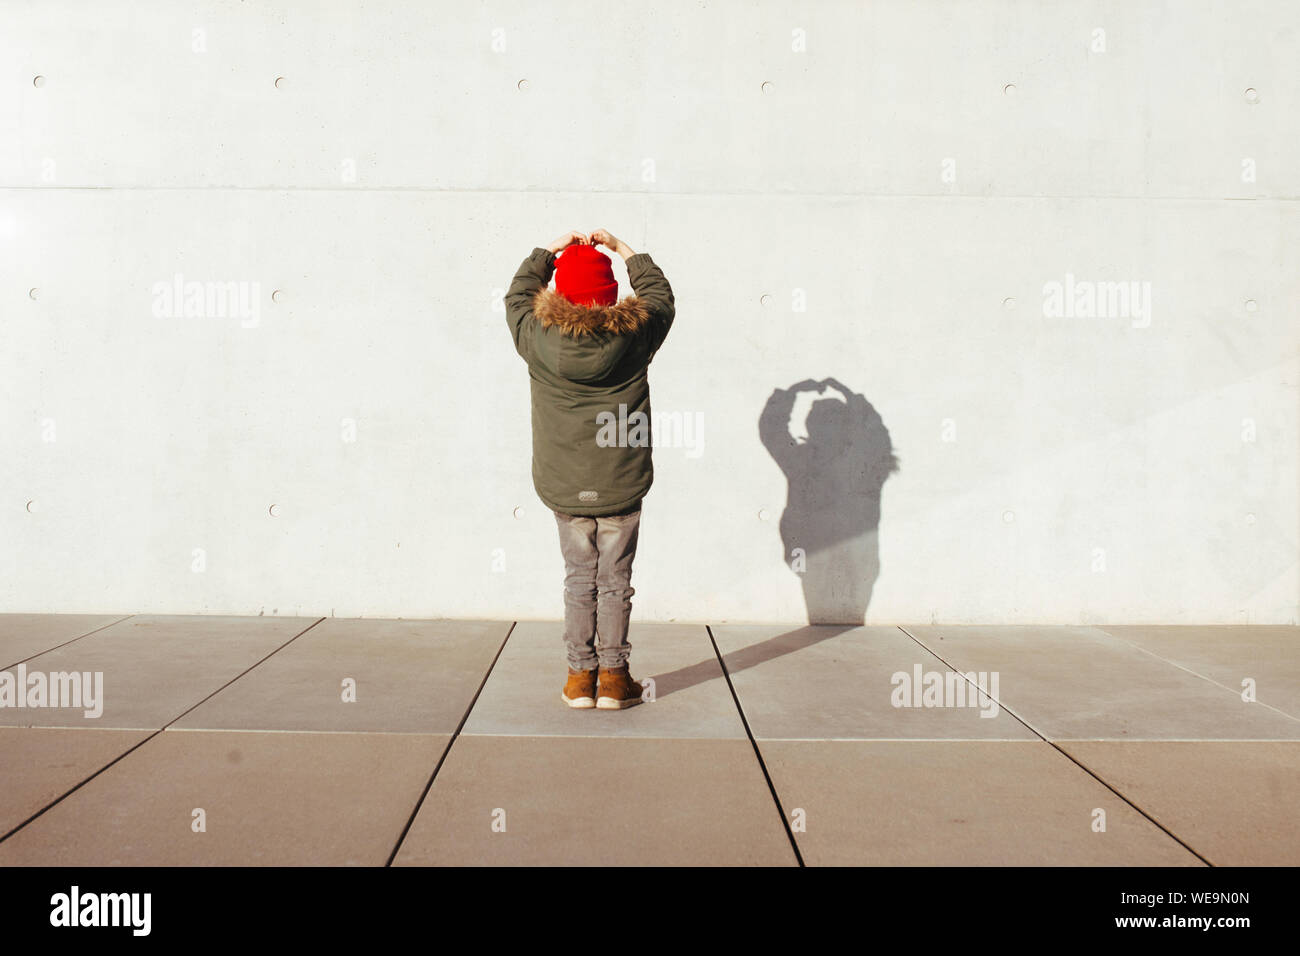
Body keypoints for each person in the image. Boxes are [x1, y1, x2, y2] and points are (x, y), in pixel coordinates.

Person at [504, 229, 675, 709]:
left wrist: (547, 252)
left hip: (564, 481)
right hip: (621, 480)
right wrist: (623, 250)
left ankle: (581, 678)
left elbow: (517, 295)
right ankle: (615, 679)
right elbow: (660, 296)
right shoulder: (637, 334)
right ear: (611, 294)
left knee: (579, 578)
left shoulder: (536, 337)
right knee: (615, 580)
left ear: (559, 291)